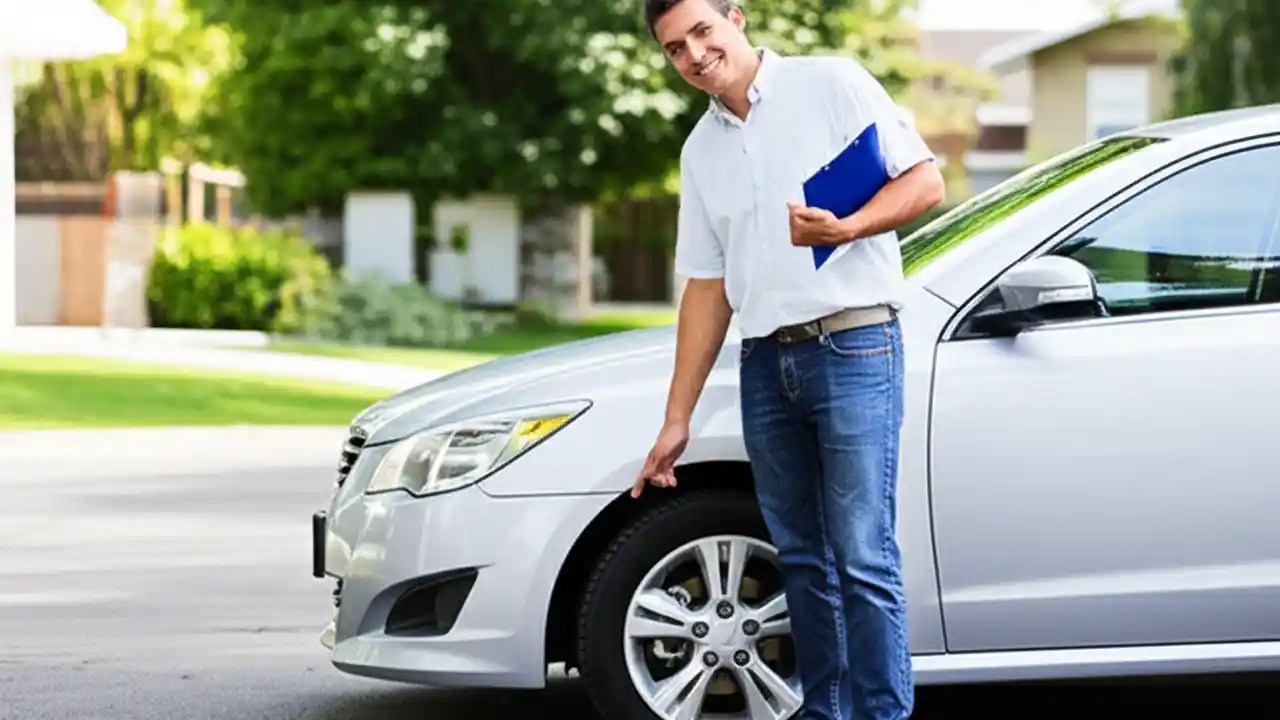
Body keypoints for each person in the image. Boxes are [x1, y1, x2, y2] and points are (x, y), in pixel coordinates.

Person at [630, 1, 945, 718]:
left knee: (863, 555)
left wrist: (852, 224)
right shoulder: (699, 151)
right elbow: (707, 289)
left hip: (855, 343)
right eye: (675, 49)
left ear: (736, 18)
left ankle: (883, 712)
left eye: (703, 32)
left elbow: (925, 181)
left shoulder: (830, 83)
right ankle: (826, 710)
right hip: (766, 364)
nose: (694, 55)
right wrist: (675, 419)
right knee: (801, 556)